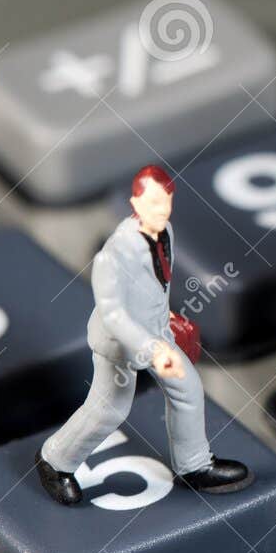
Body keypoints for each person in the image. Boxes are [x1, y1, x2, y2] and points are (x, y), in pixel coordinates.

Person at [37, 165, 250, 506]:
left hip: (157, 331)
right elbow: (114, 314)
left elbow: (154, 287)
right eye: (153, 202)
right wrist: (152, 349)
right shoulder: (113, 256)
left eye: (166, 201)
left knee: (188, 389)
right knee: (109, 410)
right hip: (118, 345)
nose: (162, 209)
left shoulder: (166, 234)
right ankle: (55, 461)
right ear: (135, 202)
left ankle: (194, 465)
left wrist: (164, 318)